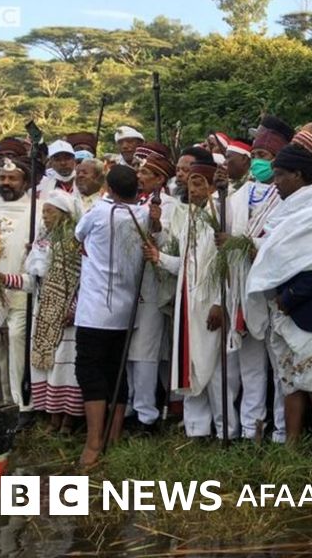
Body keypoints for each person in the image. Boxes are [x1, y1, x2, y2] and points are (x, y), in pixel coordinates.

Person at [246, 144, 312, 455]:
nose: (274, 182)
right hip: (285, 310)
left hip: (310, 312)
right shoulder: (291, 209)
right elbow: (282, 254)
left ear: (298, 175)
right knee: (289, 382)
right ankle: (290, 449)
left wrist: (288, 299)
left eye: (279, 175)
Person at [145, 159, 237, 439]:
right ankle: (197, 429)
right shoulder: (190, 219)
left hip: (210, 303)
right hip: (188, 305)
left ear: (212, 188)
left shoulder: (221, 218)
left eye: (199, 183)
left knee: (216, 371)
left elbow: (228, 266)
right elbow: (186, 265)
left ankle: (226, 431)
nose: (192, 189)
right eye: (191, 183)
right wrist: (159, 258)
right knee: (192, 366)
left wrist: (221, 303)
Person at [74, 165, 152, 468]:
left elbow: (77, 235)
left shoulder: (98, 212)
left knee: (90, 372)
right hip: (126, 309)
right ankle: (114, 437)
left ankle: (94, 443)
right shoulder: (142, 215)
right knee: (116, 371)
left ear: (109, 187)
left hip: (95, 309)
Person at [0, 190, 83, 434]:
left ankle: (69, 419)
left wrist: (74, 308)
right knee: (48, 365)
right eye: (43, 211)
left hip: (68, 313)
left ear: (65, 215)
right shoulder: (42, 242)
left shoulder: (75, 243)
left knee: (67, 366)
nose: (44, 216)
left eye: (50, 211)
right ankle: (53, 416)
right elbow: (32, 281)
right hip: (43, 311)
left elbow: (84, 280)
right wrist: (5, 279)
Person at [223, 137, 285, 442]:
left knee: (280, 367)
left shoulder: (285, 196)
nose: (259, 160)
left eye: (263, 155)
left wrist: (252, 246)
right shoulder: (236, 197)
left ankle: (282, 432)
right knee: (251, 368)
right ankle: (252, 430)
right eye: (256, 154)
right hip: (241, 289)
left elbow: (283, 241)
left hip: (272, 290)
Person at [124, 154, 179, 434]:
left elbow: (168, 241)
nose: (139, 176)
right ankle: (132, 404)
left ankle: (147, 414)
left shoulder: (170, 205)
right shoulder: (137, 202)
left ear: (159, 179)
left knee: (145, 351)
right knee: (130, 350)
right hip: (132, 283)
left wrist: (156, 226)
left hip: (154, 285)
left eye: (145, 173)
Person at [0, 158, 40, 429]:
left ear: (26, 182)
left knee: (18, 341)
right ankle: (0, 399)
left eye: (12, 179)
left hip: (21, 287)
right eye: (2, 178)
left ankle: (23, 404)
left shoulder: (37, 210)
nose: (6, 183)